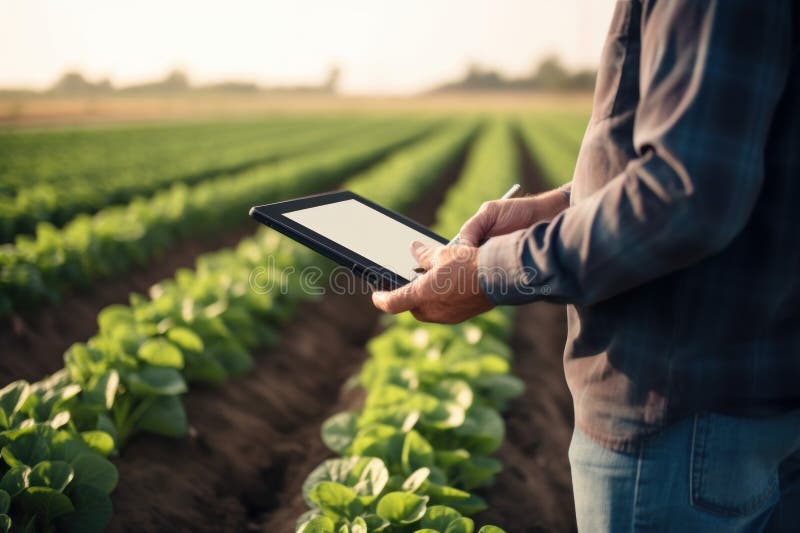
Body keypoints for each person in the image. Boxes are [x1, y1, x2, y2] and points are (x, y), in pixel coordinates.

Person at [371, 1, 800, 531]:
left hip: (674, 413)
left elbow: (685, 195)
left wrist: (487, 273)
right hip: (759, 384)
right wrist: (553, 207)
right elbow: (738, 153)